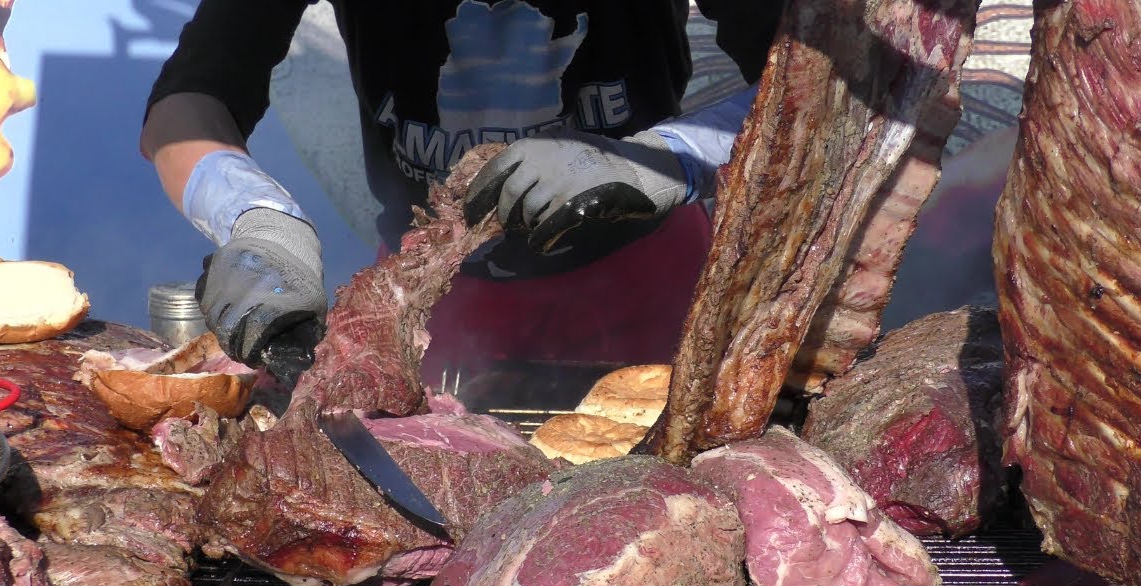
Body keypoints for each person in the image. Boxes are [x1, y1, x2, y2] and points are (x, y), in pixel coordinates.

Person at [139, 0, 783, 386]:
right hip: (426, 298)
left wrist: (667, 158)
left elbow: (821, 83)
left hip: (650, 288)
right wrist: (255, 219)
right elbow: (190, 99)